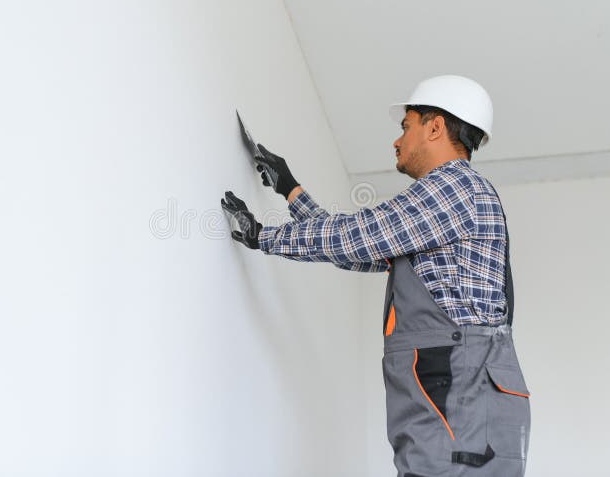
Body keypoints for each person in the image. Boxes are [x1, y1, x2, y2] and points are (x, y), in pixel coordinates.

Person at [221, 75, 531, 476]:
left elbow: (359, 237)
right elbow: (361, 250)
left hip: (459, 394)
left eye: (406, 126)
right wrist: (291, 191)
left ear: (435, 127)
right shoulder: (449, 204)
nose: (397, 141)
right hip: (457, 394)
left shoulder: (454, 186)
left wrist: (265, 236)